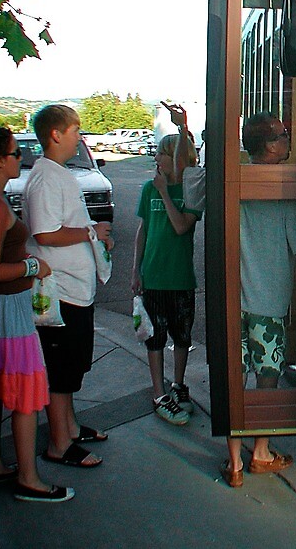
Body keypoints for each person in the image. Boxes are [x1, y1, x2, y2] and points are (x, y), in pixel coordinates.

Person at [0, 123, 73, 502]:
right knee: (26, 392)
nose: (20, 159)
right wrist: (32, 266)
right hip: (6, 311)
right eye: (14, 153)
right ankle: (29, 478)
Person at [220, 112, 296, 488]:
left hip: (231, 299)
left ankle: (234, 463)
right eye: (283, 134)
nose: (288, 139)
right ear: (270, 145)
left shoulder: (234, 178)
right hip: (269, 301)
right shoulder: (285, 186)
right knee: (266, 378)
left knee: (234, 378)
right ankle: (260, 451)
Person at [22, 105, 112, 469]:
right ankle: (58, 444)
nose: (80, 138)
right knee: (60, 371)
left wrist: (94, 236)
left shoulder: (57, 174)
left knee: (72, 368)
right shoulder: (45, 178)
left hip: (75, 292)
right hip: (60, 294)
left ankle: (70, 427)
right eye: (75, 131)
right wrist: (91, 232)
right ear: (55, 134)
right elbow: (45, 233)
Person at [132, 133, 202, 425]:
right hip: (153, 277)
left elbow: (181, 226)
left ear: (176, 158)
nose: (157, 158)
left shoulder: (190, 190)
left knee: (182, 336)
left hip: (180, 277)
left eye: (162, 153)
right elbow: (144, 230)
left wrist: (164, 193)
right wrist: (136, 270)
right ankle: (159, 393)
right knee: (155, 338)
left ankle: (178, 384)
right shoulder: (149, 188)